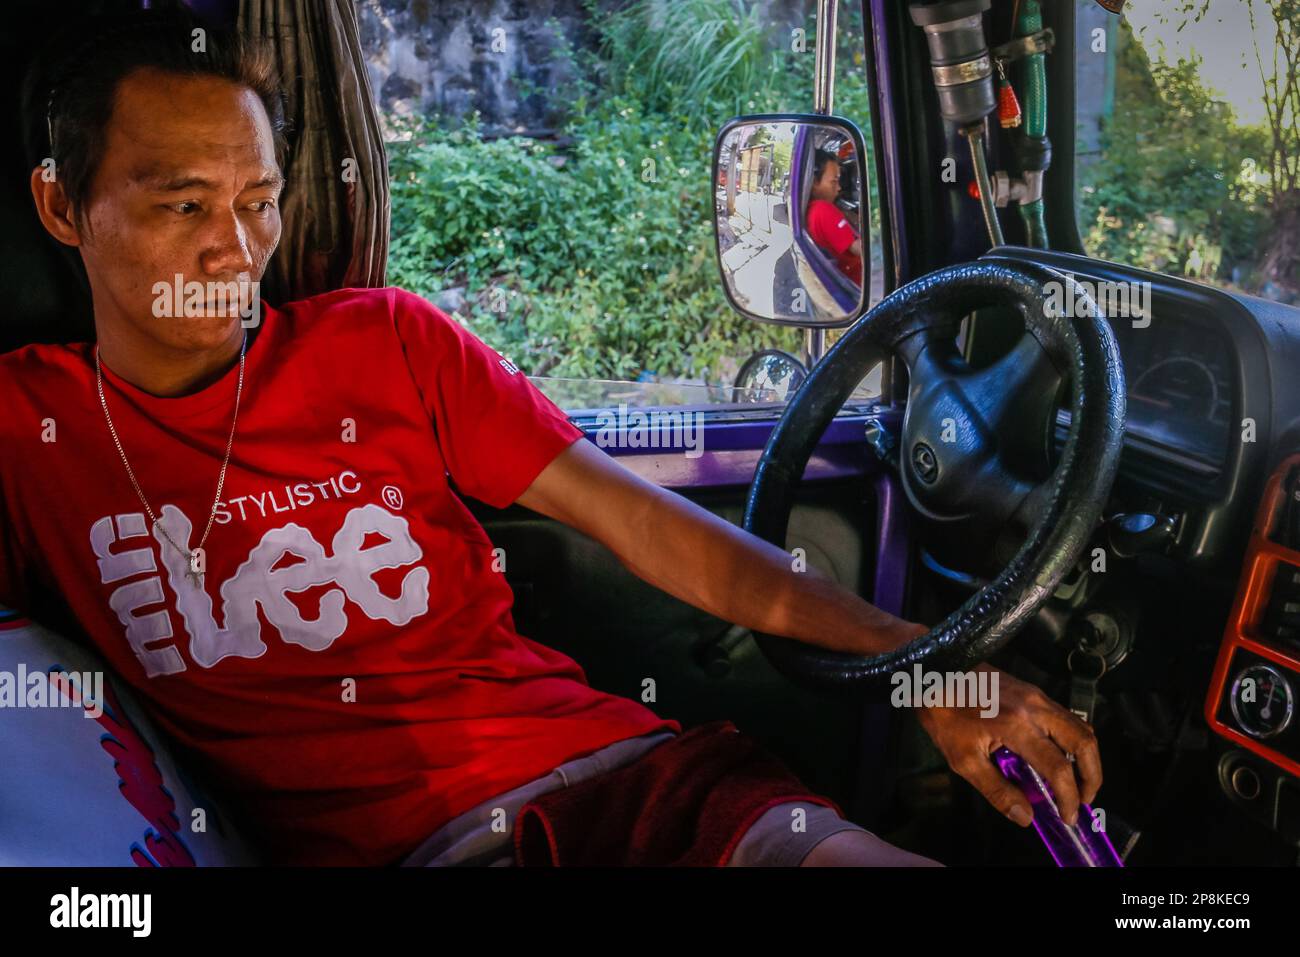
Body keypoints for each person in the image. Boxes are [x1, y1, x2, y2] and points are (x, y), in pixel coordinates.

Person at [0, 9, 1099, 866]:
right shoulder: (24, 427)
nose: (236, 250)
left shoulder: (384, 343)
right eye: (181, 206)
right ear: (61, 208)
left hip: (628, 789)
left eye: (259, 199)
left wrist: (930, 674)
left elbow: (650, 528)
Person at [806, 149, 864, 286]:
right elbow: (861, 250)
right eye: (834, 181)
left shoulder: (812, 209)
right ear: (814, 182)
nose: (838, 188)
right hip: (858, 284)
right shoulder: (823, 209)